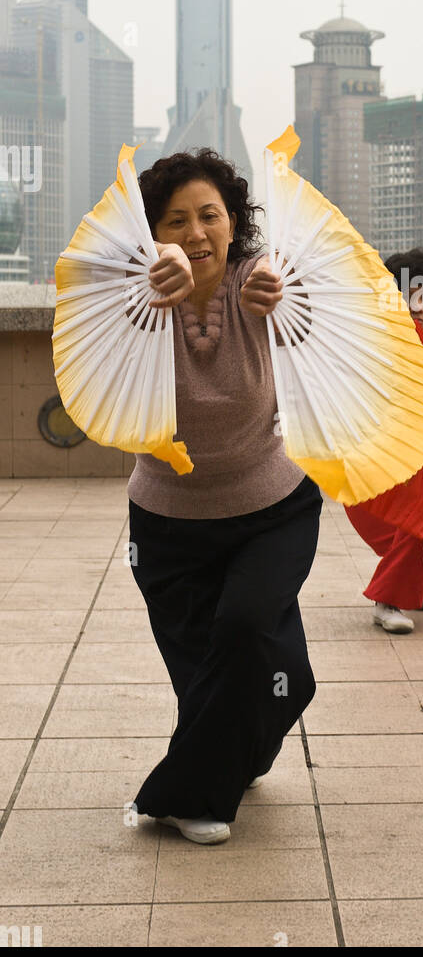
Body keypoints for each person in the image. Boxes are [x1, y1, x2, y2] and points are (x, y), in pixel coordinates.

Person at [127, 148, 321, 844]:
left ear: (234, 221)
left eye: (210, 215)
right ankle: (243, 742)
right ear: (149, 232)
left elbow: (307, 304)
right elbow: (92, 326)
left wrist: (280, 291)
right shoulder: (129, 298)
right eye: (175, 220)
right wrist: (141, 290)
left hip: (272, 505)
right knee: (217, 676)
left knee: (242, 631)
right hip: (166, 521)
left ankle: (191, 799)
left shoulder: (261, 283)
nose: (196, 233)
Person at [345, 247, 423, 634]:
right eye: (409, 297)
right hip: (377, 468)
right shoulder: (376, 341)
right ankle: (389, 598)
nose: (420, 307)